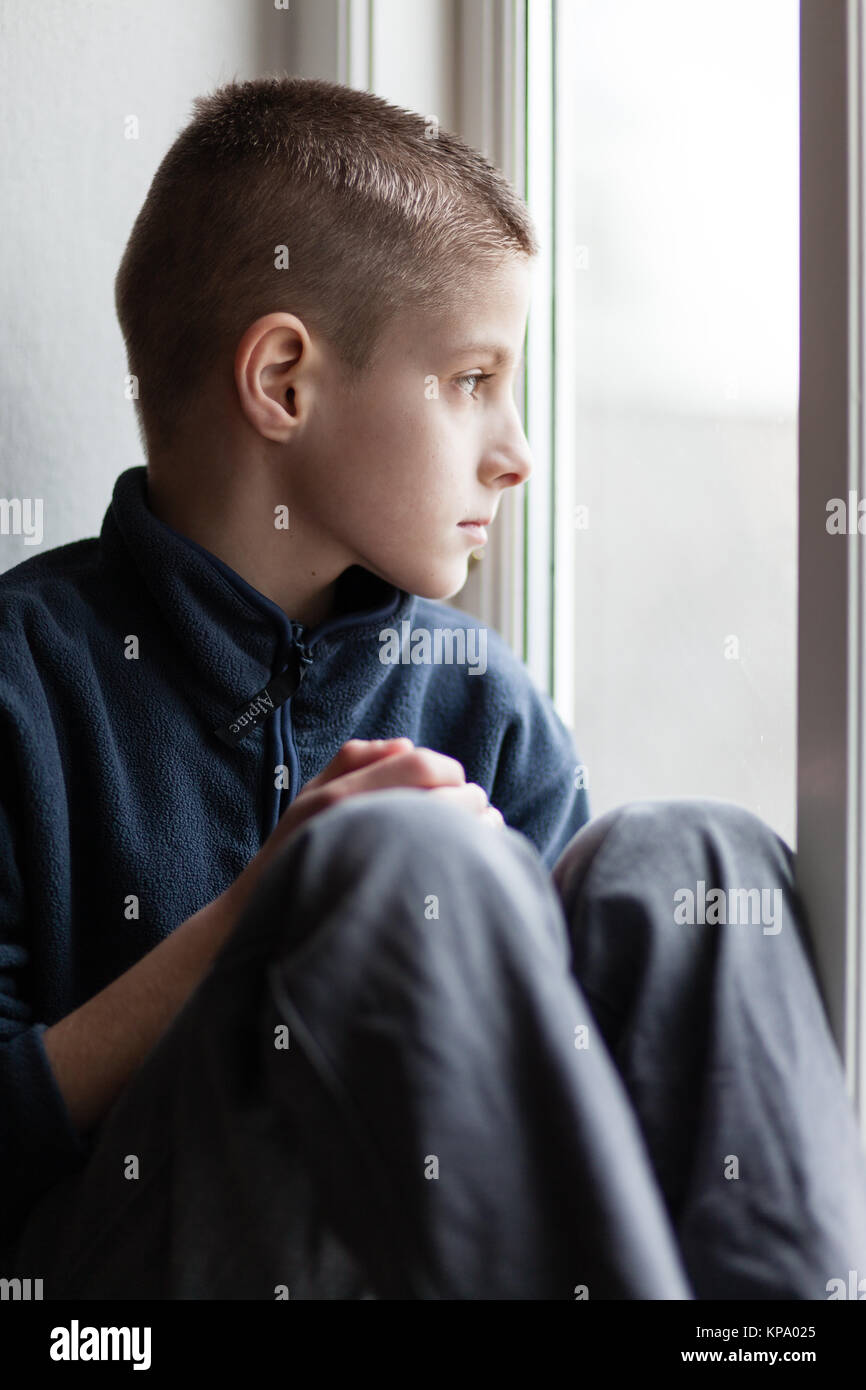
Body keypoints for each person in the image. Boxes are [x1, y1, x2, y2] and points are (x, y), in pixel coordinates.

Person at [2, 76, 865, 1300]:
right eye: (471, 380)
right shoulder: (25, 678)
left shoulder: (482, 703)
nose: (513, 452)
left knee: (694, 862)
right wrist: (259, 919)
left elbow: (561, 1110)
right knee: (391, 859)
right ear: (285, 382)